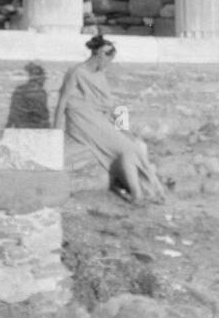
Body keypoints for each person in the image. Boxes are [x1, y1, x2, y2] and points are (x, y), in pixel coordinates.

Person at [53, 35, 165, 204]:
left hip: (98, 118)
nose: (108, 64)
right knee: (128, 148)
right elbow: (62, 100)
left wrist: (123, 127)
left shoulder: (100, 74)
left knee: (134, 145)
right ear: (99, 55)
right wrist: (56, 130)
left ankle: (143, 191)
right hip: (82, 120)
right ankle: (139, 193)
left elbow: (109, 104)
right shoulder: (77, 72)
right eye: (108, 59)